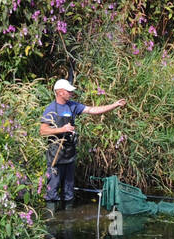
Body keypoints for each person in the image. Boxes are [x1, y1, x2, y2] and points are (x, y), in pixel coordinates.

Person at [39, 79, 126, 210]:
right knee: (52, 191)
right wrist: (62, 129)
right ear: (59, 92)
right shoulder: (51, 109)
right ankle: (52, 221)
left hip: (70, 154)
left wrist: (114, 105)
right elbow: (43, 131)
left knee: (68, 192)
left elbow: (92, 110)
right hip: (55, 156)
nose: (71, 93)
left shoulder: (73, 105)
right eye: (68, 91)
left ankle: (68, 220)